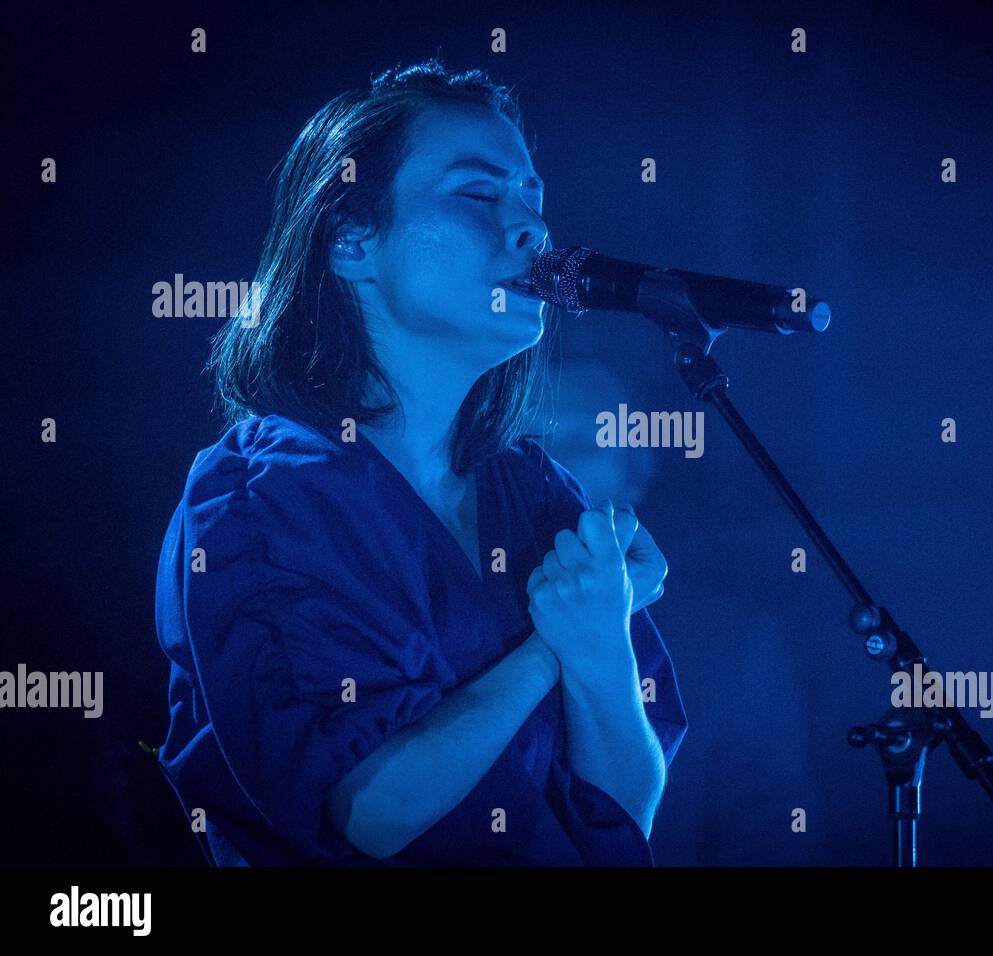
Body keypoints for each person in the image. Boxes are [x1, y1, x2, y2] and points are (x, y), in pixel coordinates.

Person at [152, 59, 688, 866]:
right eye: (479, 194)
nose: (531, 229)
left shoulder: (539, 490)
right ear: (351, 241)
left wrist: (603, 642)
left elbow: (624, 816)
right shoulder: (263, 494)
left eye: (533, 198)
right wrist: (560, 642)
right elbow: (372, 814)